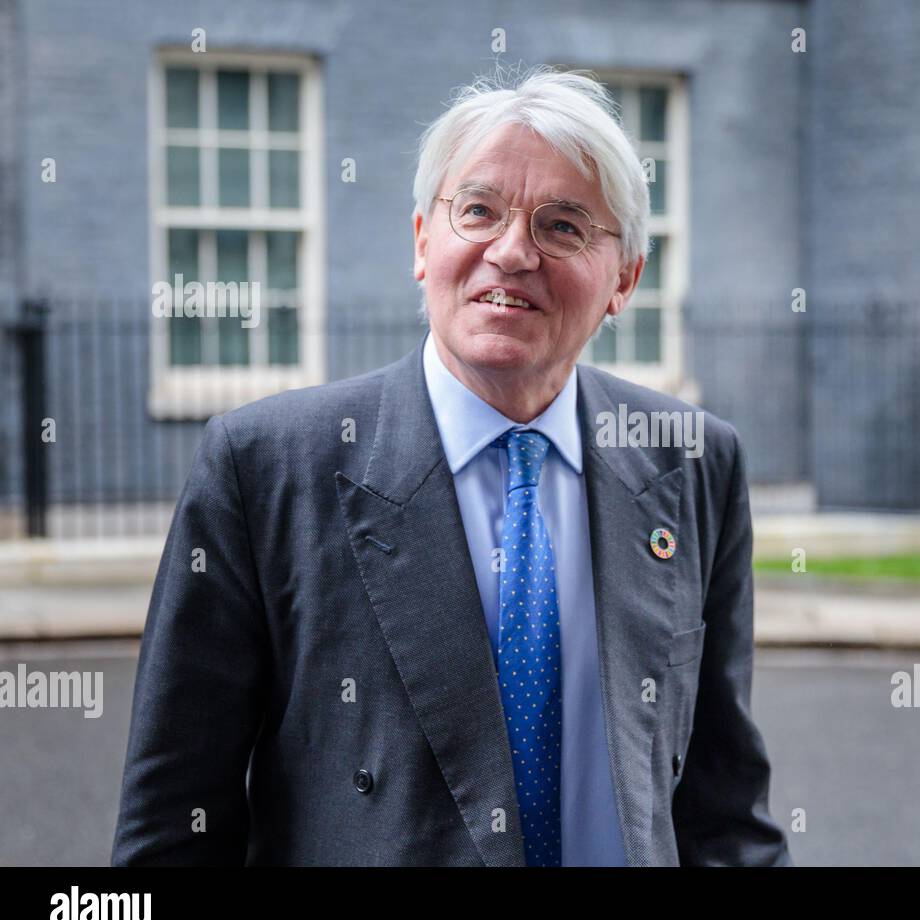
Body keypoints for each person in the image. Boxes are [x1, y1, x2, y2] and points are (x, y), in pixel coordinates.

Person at [111, 64, 791, 867]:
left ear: (625, 280)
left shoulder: (693, 461)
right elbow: (173, 826)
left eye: (563, 227)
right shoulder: (263, 468)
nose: (511, 253)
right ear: (422, 242)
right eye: (478, 211)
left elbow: (723, 805)